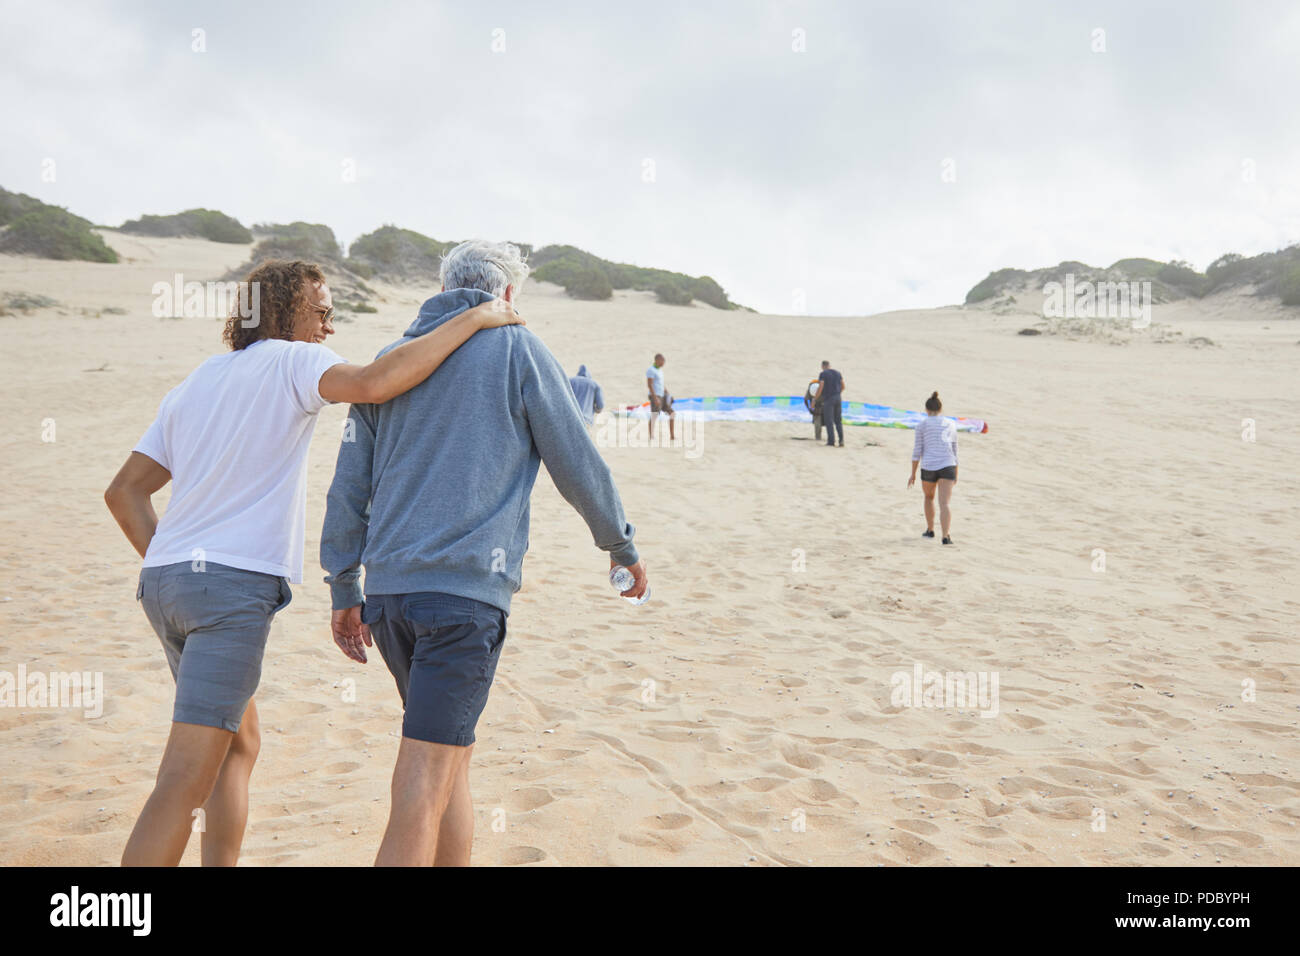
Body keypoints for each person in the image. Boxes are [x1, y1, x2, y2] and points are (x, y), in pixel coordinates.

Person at [103, 258, 522, 867]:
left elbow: (125, 493)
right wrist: (479, 316)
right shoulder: (293, 362)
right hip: (228, 594)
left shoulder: (198, 380)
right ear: (282, 312)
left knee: (237, 744)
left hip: (166, 586)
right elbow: (380, 380)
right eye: (322, 312)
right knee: (183, 779)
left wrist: (178, 560)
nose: (328, 327)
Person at [320, 240, 648, 867]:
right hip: (463, 601)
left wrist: (344, 586)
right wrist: (619, 544)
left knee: (451, 765)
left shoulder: (390, 362)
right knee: (423, 777)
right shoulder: (517, 348)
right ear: (507, 296)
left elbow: (348, 487)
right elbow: (575, 458)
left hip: (389, 599)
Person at [907, 391, 959, 544]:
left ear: (926, 410)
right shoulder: (951, 424)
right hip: (948, 464)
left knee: (929, 497)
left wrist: (913, 474)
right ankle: (946, 536)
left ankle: (930, 530)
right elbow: (955, 448)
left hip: (929, 466)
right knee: (945, 503)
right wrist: (956, 470)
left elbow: (917, 451)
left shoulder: (922, 425)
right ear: (940, 409)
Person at [646, 352, 675, 441]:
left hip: (662, 395)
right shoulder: (651, 370)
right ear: (657, 360)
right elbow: (650, 385)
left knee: (672, 413)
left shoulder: (660, 370)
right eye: (662, 360)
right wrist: (655, 398)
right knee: (654, 415)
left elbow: (661, 384)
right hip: (655, 396)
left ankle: (672, 436)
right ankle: (651, 436)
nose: (663, 362)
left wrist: (668, 394)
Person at [817, 360, 845, 447]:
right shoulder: (838, 373)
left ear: (823, 366)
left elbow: (821, 387)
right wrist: (837, 393)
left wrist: (815, 398)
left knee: (829, 421)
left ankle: (831, 441)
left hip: (828, 399)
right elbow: (843, 386)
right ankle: (841, 440)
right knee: (838, 421)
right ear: (829, 365)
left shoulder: (823, 374)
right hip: (838, 398)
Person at [805, 377, 824, 441]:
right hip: (815, 405)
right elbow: (805, 400)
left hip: (823, 403)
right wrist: (810, 409)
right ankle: (818, 437)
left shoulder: (824, 389)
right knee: (817, 419)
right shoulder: (810, 390)